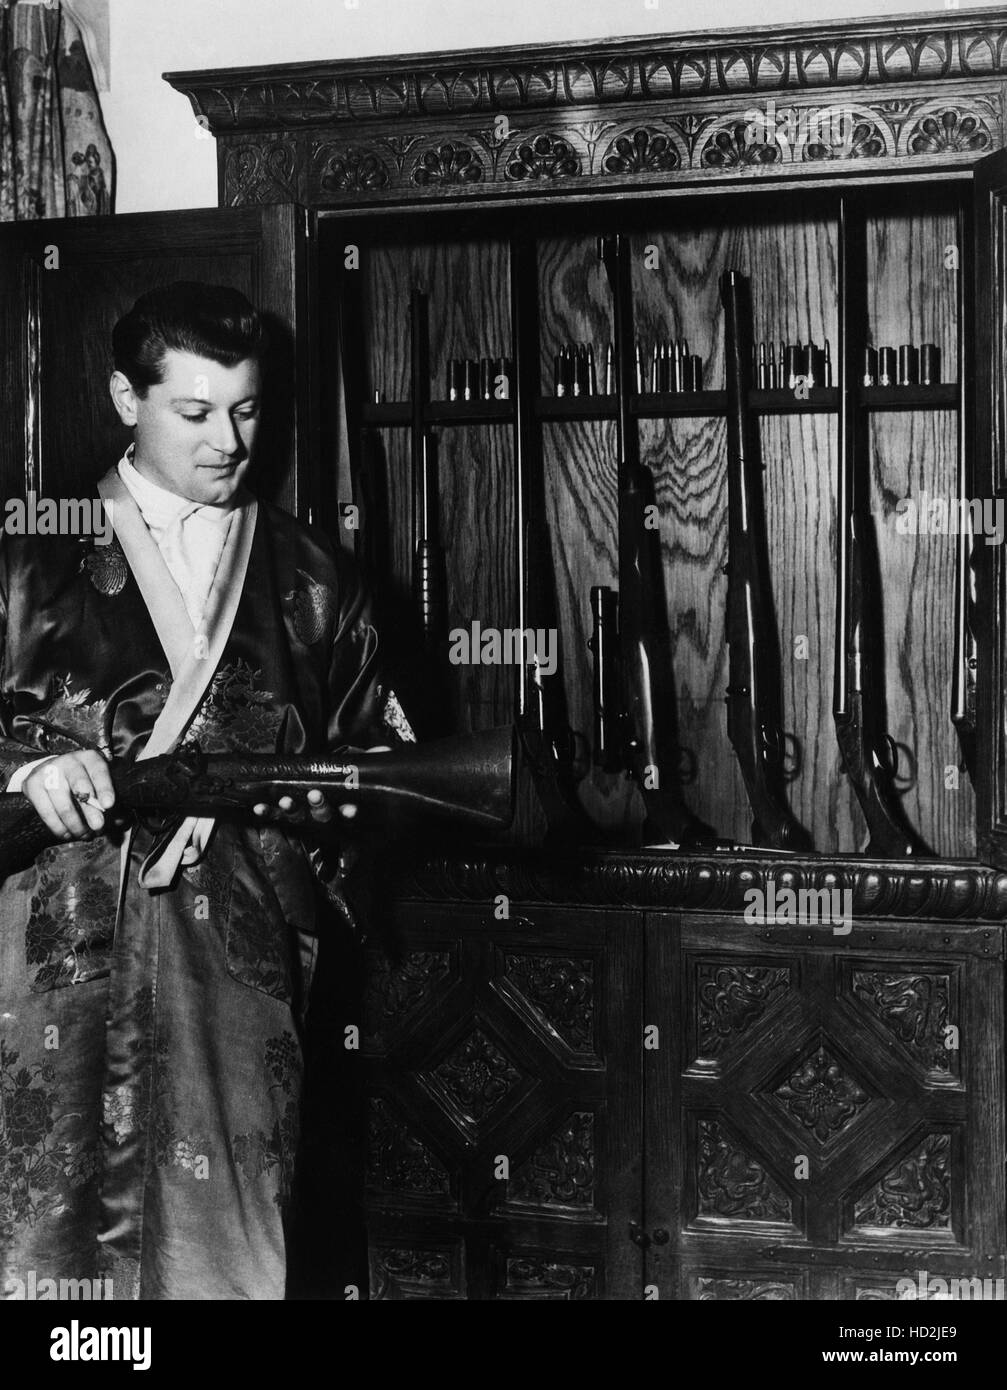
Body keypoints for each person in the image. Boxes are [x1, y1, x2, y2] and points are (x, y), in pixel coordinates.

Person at [0, 282, 411, 1300]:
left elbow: (383, 776)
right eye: (193, 412)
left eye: (247, 409)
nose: (228, 440)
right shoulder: (25, 557)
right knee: (41, 1240)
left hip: (239, 969)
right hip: (50, 966)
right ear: (123, 398)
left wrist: (323, 811)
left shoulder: (317, 578)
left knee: (227, 1245)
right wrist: (28, 773)